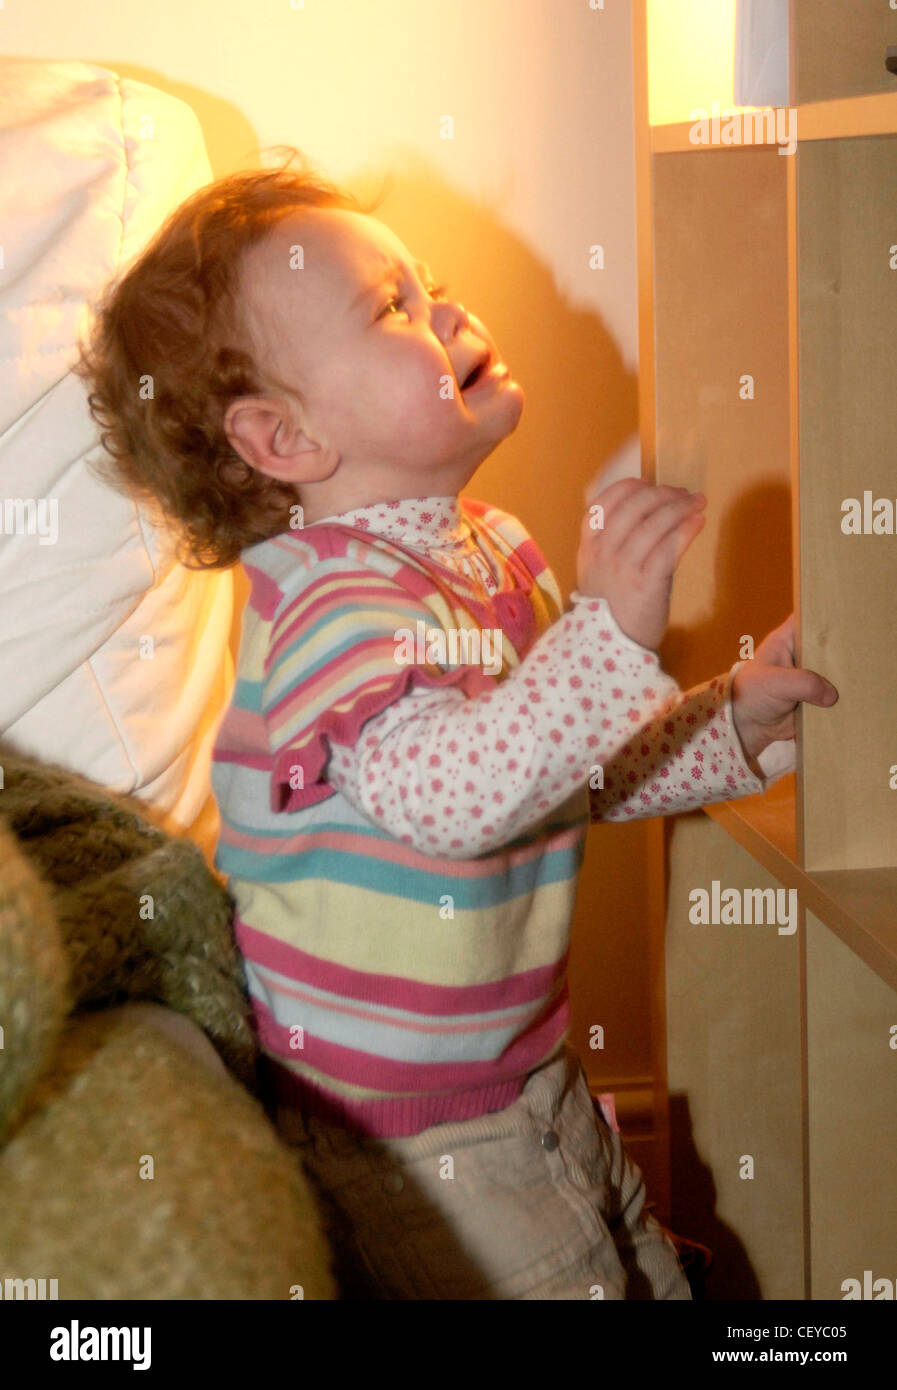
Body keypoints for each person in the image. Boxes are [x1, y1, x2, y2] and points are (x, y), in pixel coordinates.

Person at [76, 157, 838, 1300]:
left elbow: (556, 769)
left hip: (522, 1074)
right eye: (393, 308)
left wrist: (729, 724)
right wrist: (605, 638)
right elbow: (454, 801)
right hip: (409, 1137)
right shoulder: (332, 608)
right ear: (283, 442)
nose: (444, 308)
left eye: (426, 283)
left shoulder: (484, 550)